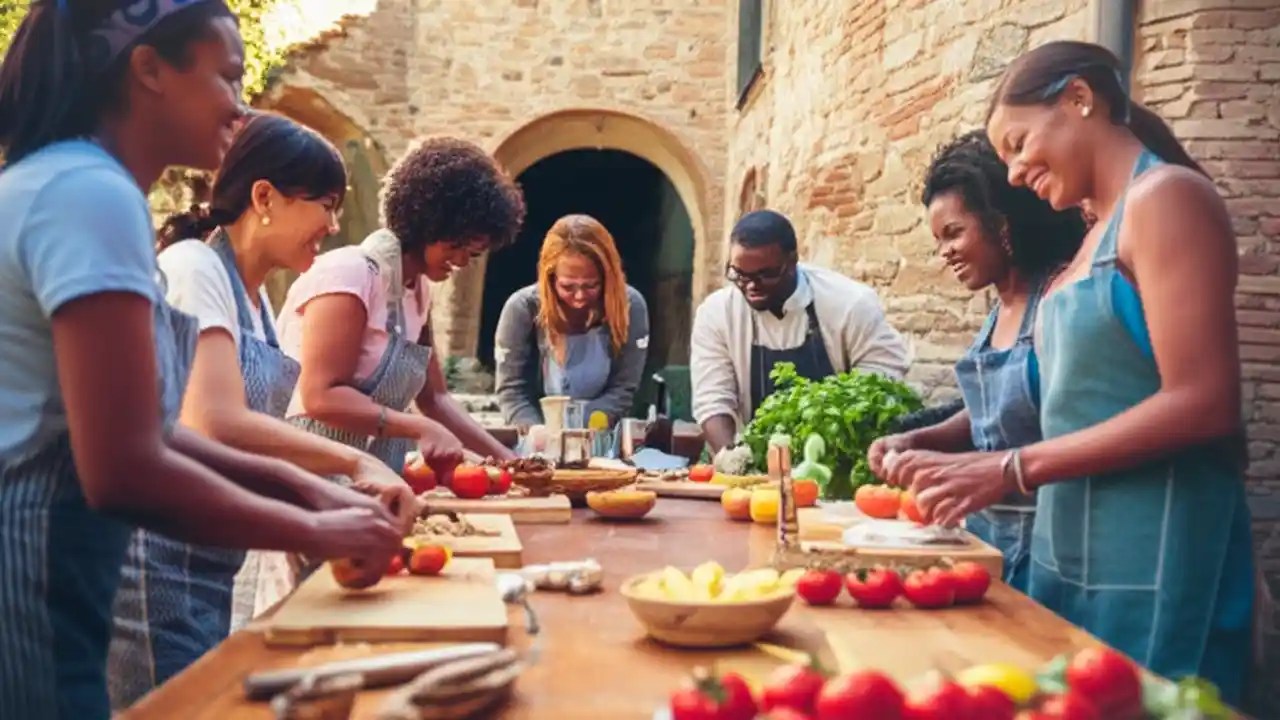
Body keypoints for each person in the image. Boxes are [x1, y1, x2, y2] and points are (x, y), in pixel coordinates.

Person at [0, 2, 400, 718]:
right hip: (32, 585)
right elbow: (124, 468)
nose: (240, 105)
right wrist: (315, 526)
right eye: (226, 76)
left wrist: (318, 493)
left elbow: (149, 431)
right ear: (149, 69)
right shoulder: (86, 194)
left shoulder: (71, 184)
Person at [889, 40, 1253, 700]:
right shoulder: (1092, 239)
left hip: (1156, 556)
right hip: (1071, 560)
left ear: (1079, 99)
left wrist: (1010, 467)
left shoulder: (1166, 199)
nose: (1018, 171)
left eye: (1021, 144)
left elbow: (1203, 402)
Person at [106, 112, 424, 707]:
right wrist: (356, 468)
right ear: (264, 197)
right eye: (325, 205)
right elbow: (216, 420)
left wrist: (333, 504)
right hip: (157, 564)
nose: (332, 225)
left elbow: (254, 438)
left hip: (210, 554)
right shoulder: (194, 268)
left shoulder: (254, 299)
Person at [867, 130, 1086, 592]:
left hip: (1054, 550)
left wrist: (1004, 470)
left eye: (953, 233)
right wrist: (917, 439)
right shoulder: (999, 310)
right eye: (938, 239)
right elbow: (993, 409)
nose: (944, 253)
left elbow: (1080, 428)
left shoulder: (1058, 299)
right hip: (987, 542)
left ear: (1001, 225)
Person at [278, 136, 527, 483]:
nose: (461, 261)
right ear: (428, 223)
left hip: (377, 481)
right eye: (456, 245)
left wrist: (508, 461)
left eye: (472, 254)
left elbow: (435, 399)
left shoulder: (418, 291)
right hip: (312, 473)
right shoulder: (350, 274)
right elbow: (321, 396)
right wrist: (417, 428)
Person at [691, 209, 911, 453]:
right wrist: (731, 458)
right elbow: (712, 400)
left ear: (793, 261)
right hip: (754, 465)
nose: (752, 286)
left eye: (766, 275)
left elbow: (880, 386)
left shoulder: (851, 305)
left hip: (842, 461)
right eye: (740, 275)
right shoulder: (717, 313)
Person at [494, 214, 649, 429]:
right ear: (550, 278)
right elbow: (512, 390)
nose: (579, 297)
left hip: (600, 432)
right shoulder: (522, 308)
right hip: (537, 435)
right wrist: (538, 433)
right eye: (568, 287)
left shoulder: (630, 306)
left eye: (591, 286)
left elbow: (623, 389)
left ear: (608, 278)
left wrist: (582, 427)